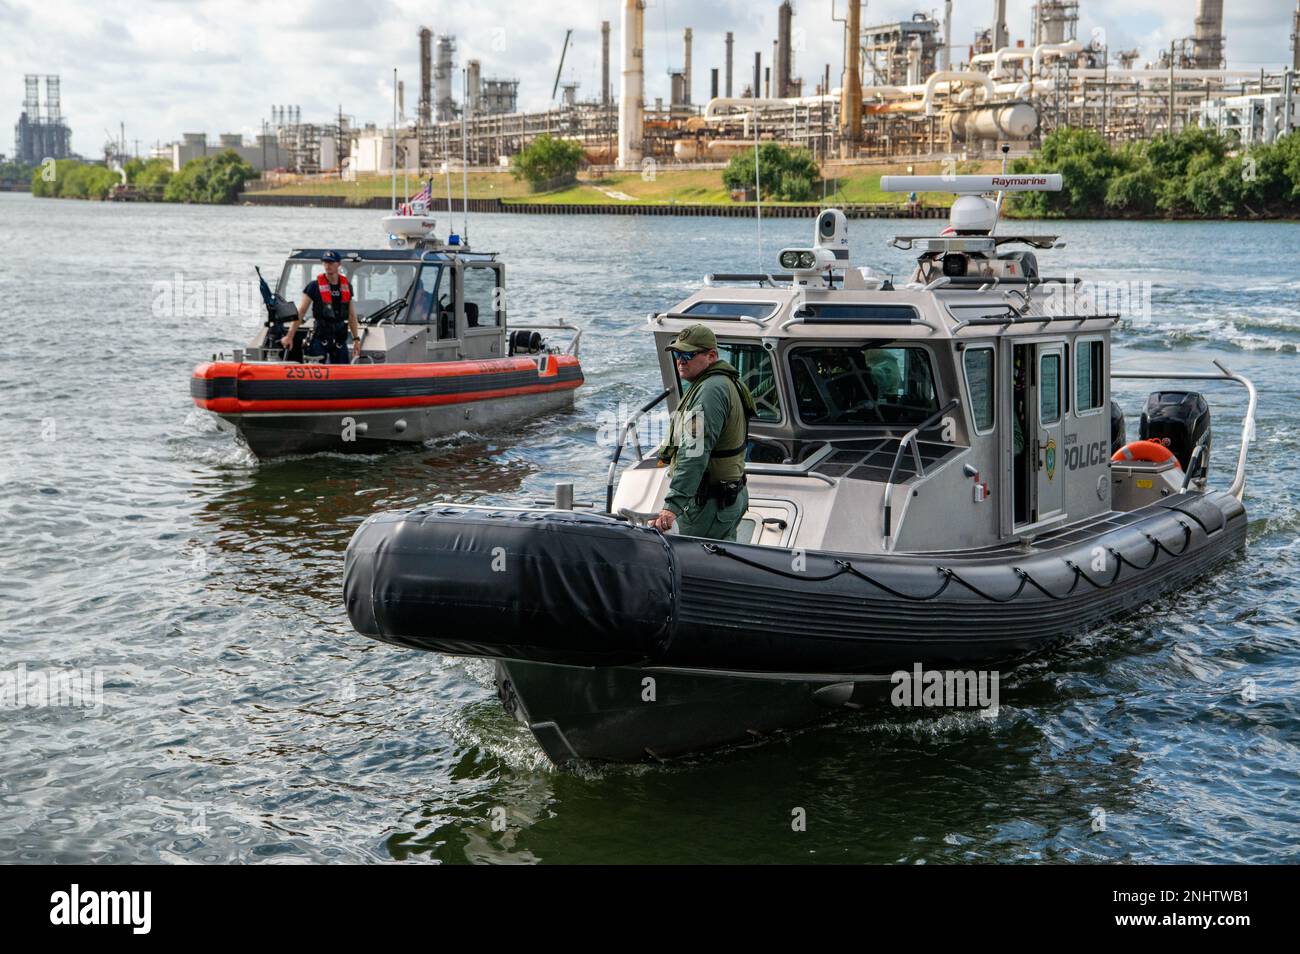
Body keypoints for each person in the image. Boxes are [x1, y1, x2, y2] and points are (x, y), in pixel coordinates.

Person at [650, 325, 757, 540]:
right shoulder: (721, 382)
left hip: (709, 506)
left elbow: (694, 453)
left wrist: (673, 506)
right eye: (678, 354)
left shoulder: (709, 391)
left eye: (689, 354)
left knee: (697, 565)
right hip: (725, 499)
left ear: (711, 356)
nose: (681, 360)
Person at [280, 251, 361, 363]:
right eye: (325, 262)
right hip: (320, 337)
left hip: (339, 339)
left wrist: (356, 339)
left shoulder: (346, 287)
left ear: (338, 264)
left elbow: (352, 316)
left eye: (331, 263)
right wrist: (289, 336)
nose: (328, 265)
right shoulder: (314, 286)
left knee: (342, 368)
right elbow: (301, 312)